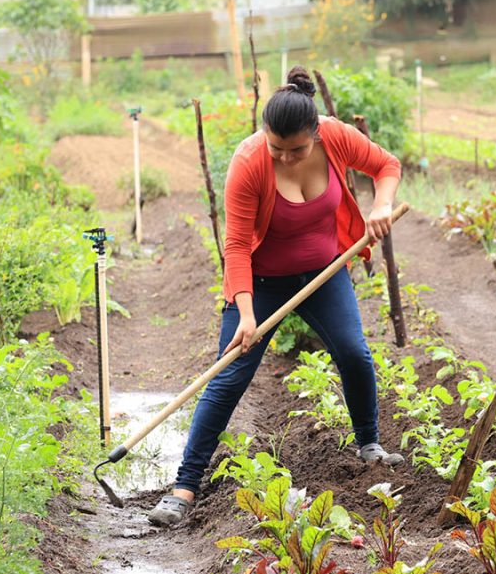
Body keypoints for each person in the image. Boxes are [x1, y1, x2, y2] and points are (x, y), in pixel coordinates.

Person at [148, 66, 404, 526]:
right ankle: (184, 487)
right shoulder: (248, 163)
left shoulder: (337, 137)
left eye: (297, 150)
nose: (285, 159)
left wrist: (380, 204)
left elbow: (386, 166)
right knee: (229, 376)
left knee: (353, 353)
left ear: (315, 135)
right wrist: (245, 313)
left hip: (324, 272)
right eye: (276, 149)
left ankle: (369, 444)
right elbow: (237, 246)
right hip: (261, 284)